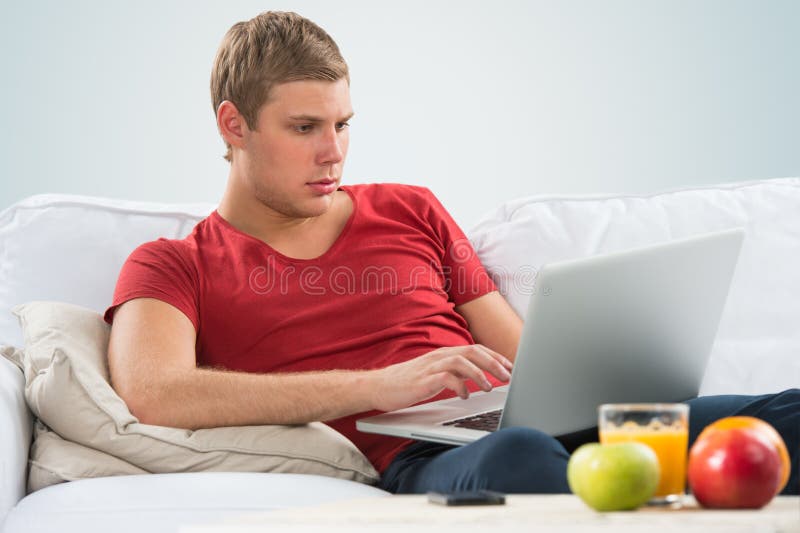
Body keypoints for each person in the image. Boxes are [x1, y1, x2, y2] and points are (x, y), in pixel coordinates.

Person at [104, 11, 799, 495]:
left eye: (344, 124)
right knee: (526, 457)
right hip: (421, 454)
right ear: (235, 124)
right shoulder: (173, 263)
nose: (334, 152)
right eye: (305, 127)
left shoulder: (412, 206)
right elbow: (155, 390)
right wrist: (380, 385)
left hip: (529, 425)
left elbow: (521, 354)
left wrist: (599, 371)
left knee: (786, 413)